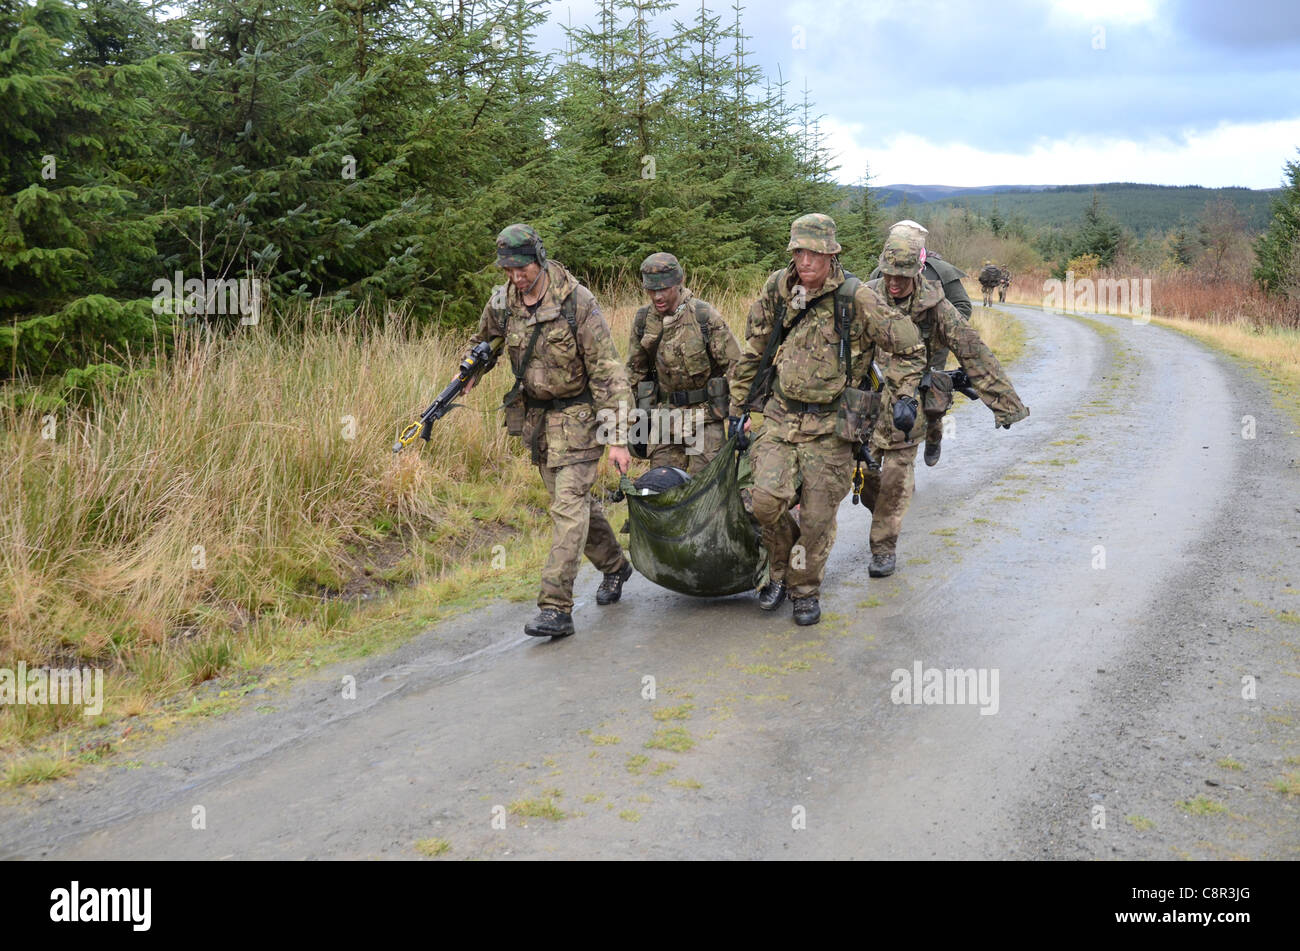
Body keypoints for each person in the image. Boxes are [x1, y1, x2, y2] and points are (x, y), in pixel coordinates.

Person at [728, 214, 926, 625]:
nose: (804, 261)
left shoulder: (856, 297)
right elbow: (755, 348)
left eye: (813, 253)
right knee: (765, 503)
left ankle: (804, 589)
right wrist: (739, 407)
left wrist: (905, 393)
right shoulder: (779, 289)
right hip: (781, 416)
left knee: (817, 517)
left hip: (832, 426)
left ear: (831, 254)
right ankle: (780, 568)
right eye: (798, 252)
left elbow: (910, 347)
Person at [463, 224, 635, 638]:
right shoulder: (503, 301)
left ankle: (555, 607)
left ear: (538, 260)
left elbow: (608, 371)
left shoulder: (576, 301)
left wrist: (618, 436)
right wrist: (470, 369)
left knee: (567, 508)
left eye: (522, 268)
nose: (515, 277)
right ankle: (615, 566)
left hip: (579, 419)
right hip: (537, 423)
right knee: (574, 506)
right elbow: (483, 341)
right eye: (508, 269)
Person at [861, 230, 1030, 579]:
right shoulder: (866, 297)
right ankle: (881, 512)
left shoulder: (936, 306)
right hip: (866, 399)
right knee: (865, 477)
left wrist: (1004, 403)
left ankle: (883, 547)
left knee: (896, 476)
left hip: (909, 402)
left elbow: (973, 351)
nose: (893, 282)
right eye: (889, 274)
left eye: (902, 276)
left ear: (917, 273)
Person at [626, 253, 740, 474]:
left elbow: (736, 367)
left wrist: (738, 415)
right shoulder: (644, 320)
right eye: (651, 290)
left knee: (706, 491)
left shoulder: (703, 317)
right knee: (663, 491)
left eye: (664, 289)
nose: (657, 296)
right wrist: (630, 425)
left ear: (679, 282)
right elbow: (633, 374)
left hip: (705, 418)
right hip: (664, 419)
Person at [869, 219, 971, 465]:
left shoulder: (940, 270)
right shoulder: (879, 274)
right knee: (895, 405)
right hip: (891, 354)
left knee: (933, 405)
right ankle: (902, 466)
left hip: (931, 353)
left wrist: (942, 328)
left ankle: (934, 435)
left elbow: (963, 307)